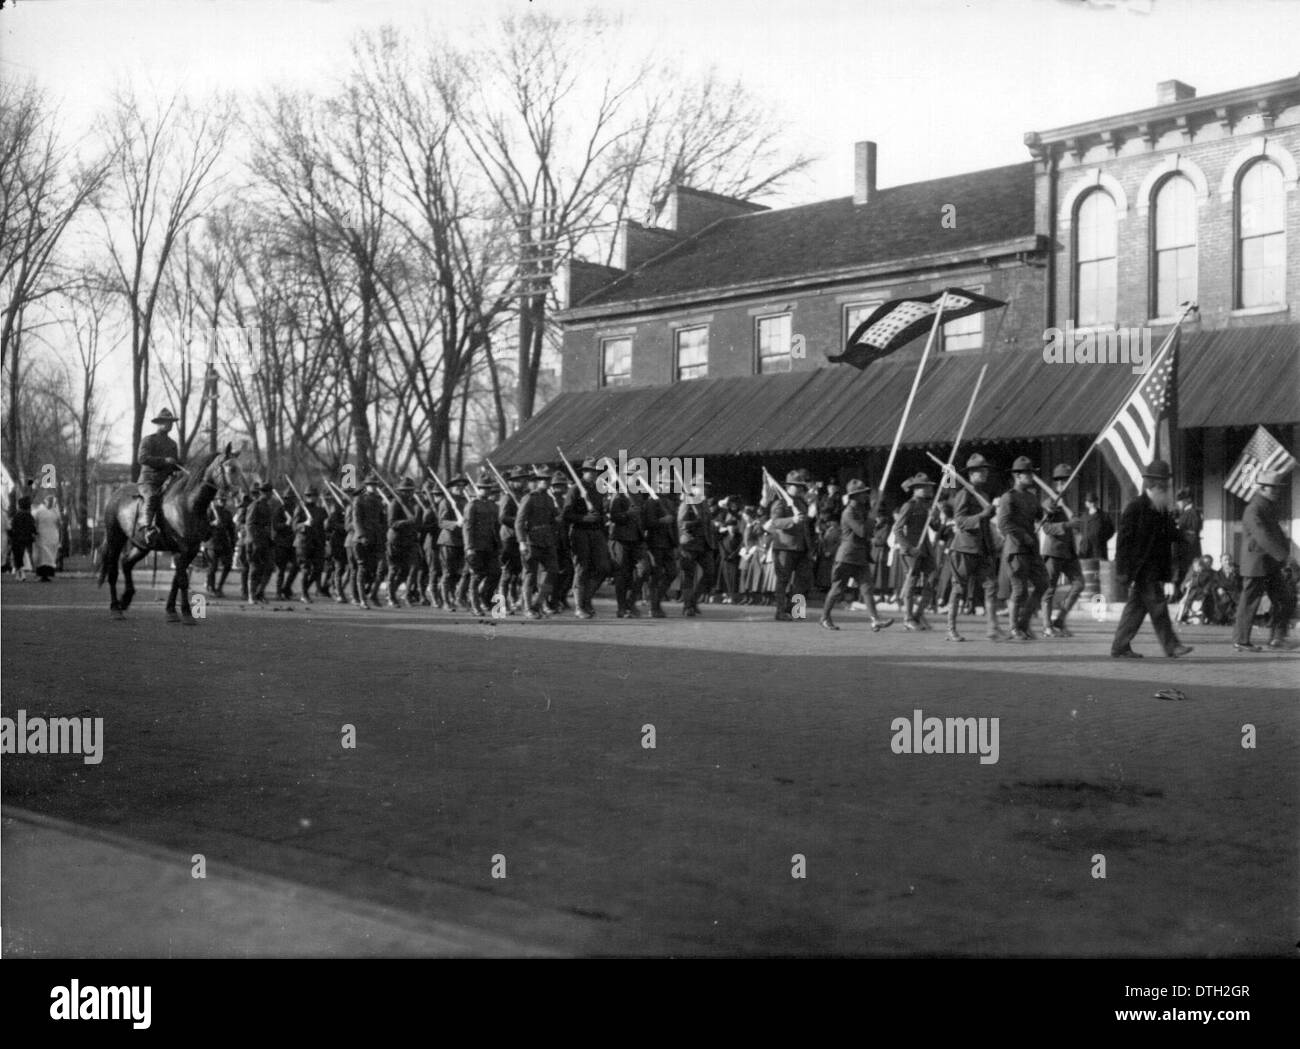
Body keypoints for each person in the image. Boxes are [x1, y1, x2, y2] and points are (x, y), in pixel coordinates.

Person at [1110, 460, 1193, 659]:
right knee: (1158, 607)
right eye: (1163, 484)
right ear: (1152, 485)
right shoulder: (1135, 507)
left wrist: (1184, 536)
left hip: (1155, 567)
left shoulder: (1161, 507)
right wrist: (1122, 571)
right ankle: (1171, 646)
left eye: (1166, 483)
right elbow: (1123, 542)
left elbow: (1169, 533)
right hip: (1141, 568)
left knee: (1136, 609)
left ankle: (1119, 646)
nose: (1166, 488)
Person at [1232, 468, 1298, 652]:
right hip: (1256, 564)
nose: (1276, 491)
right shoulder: (1254, 509)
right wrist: (1285, 557)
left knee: (1285, 599)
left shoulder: (1267, 507)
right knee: (1249, 603)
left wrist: (1285, 554)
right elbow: (1263, 536)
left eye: (1277, 488)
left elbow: (1276, 534)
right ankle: (1241, 641)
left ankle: (1277, 639)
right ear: (1262, 488)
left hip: (1270, 564)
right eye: (1272, 488)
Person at [944, 454, 1005, 642]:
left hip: (982, 549)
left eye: (985, 470)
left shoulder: (984, 495)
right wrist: (982, 515)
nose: (985, 473)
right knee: (959, 589)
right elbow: (960, 521)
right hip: (964, 548)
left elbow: (986, 525)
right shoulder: (963, 494)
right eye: (981, 471)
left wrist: (991, 545)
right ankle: (951, 629)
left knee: (991, 586)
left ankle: (992, 627)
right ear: (971, 473)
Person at [820, 479, 893, 632]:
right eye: (861, 494)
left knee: (867, 588)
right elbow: (862, 531)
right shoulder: (849, 512)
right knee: (838, 589)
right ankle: (825, 617)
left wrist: (873, 516)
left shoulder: (861, 510)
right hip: (847, 556)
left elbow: (868, 530)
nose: (865, 496)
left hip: (860, 556)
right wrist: (872, 518)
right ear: (854, 496)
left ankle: (875, 619)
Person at [996, 456, 1049, 641]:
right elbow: (1003, 524)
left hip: (1032, 549)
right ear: (1017, 476)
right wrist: (1023, 535)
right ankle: (1013, 628)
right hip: (1016, 549)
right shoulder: (1008, 497)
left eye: (1031, 473)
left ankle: (1023, 623)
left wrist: (1050, 511)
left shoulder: (1032, 497)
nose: (1031, 476)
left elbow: (1040, 516)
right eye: (1028, 473)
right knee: (1019, 590)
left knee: (1043, 583)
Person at [1040, 463, 1084, 637]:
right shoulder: (1049, 502)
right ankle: (1047, 626)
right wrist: (1067, 525)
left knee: (1079, 584)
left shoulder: (1070, 501)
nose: (1070, 485)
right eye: (1067, 481)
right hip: (1054, 550)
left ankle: (1060, 620)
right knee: (1049, 588)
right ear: (1059, 483)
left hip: (1069, 551)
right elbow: (1046, 528)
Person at [562, 458, 608, 619]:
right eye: (590, 471)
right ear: (584, 472)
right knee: (582, 569)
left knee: (603, 567)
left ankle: (586, 599)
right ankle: (580, 606)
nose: (593, 474)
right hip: (580, 532)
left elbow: (601, 513)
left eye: (595, 471)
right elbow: (566, 514)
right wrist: (583, 518)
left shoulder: (597, 490)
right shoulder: (575, 490)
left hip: (596, 533)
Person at [768, 470, 814, 622]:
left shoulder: (801, 503)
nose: (800, 489)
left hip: (801, 548)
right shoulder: (780, 502)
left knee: (802, 581)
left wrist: (809, 547)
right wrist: (792, 520)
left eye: (801, 486)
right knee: (783, 581)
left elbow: (806, 526)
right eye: (796, 486)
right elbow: (775, 522)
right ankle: (780, 611)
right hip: (784, 548)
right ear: (788, 487)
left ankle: (796, 610)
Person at [894, 473, 938, 630]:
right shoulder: (909, 505)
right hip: (912, 549)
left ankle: (918, 614)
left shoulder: (928, 506)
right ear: (915, 489)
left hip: (926, 548)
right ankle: (908, 617)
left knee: (932, 579)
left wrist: (935, 518)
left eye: (928, 487)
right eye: (924, 487)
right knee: (911, 581)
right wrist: (909, 548)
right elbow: (897, 529)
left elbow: (937, 528)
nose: (928, 490)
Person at [516, 470, 559, 618]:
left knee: (552, 571)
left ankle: (538, 604)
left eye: (548, 479)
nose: (545, 482)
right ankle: (528, 608)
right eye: (542, 480)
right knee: (530, 575)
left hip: (547, 541)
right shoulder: (529, 498)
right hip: (532, 540)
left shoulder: (549, 499)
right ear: (537, 481)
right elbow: (519, 522)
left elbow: (553, 520)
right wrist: (522, 542)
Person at [137, 407, 183, 544]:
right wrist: (164, 461)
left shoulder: (172, 444)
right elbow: (142, 458)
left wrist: (180, 466)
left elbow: (174, 465)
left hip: (167, 482)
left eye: (171, 422)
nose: (170, 425)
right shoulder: (148, 440)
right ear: (159, 423)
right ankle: (148, 529)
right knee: (152, 497)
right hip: (149, 481)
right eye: (167, 422)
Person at [463, 474, 503, 616]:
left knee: (496, 573)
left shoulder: (493, 506)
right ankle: (475, 606)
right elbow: (467, 527)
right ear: (478, 489)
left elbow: (497, 527)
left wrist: (499, 545)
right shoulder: (472, 505)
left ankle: (484, 597)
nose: (486, 491)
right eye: (483, 488)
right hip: (476, 546)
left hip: (491, 546)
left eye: (488, 488)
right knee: (476, 576)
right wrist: (469, 548)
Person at [678, 480, 717, 617]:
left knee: (710, 573)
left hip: (705, 544)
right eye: (702, 487)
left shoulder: (703, 503)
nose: (705, 489)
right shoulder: (687, 502)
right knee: (689, 575)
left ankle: (693, 600)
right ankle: (688, 606)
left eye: (706, 487)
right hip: (690, 544)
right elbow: (681, 523)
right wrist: (695, 522)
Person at [348, 473, 386, 610]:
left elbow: (382, 520)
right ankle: (362, 600)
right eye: (371, 485)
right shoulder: (359, 500)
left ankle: (368, 595)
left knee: (374, 569)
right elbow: (356, 520)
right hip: (361, 540)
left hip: (375, 539)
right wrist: (362, 536)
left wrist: (382, 535)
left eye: (375, 485)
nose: (374, 487)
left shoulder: (378, 500)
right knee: (362, 568)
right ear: (366, 486)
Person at [240, 482, 276, 604]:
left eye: (270, 492)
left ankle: (259, 593)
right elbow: (249, 525)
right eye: (268, 492)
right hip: (255, 542)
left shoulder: (267, 506)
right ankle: (251, 596)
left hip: (265, 541)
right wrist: (254, 541)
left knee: (269, 567)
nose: (270, 494)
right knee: (254, 568)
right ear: (263, 493)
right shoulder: (255, 505)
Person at [294, 487, 329, 603]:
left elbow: (324, 528)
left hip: (317, 543)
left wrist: (326, 542)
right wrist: (305, 523)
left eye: (313, 495)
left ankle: (305, 588)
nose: (311, 498)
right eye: (309, 496)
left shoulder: (321, 510)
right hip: (303, 543)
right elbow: (294, 526)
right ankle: (304, 594)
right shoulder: (300, 509)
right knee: (305, 569)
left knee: (318, 569)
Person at [1173, 488, 1203, 600]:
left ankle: (1186, 599)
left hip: (1188, 551)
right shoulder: (1185, 513)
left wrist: (1177, 532)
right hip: (1184, 550)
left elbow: (1192, 534)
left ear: (1188, 500)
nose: (1178, 503)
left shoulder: (1192, 513)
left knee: (1188, 574)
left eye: (1180, 501)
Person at [205, 494, 236, 597]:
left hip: (224, 543)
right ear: (216, 500)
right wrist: (212, 523)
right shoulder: (210, 511)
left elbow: (231, 529)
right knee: (212, 567)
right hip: (212, 542)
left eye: (224, 499)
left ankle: (219, 587)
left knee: (228, 565)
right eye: (220, 499)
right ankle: (211, 588)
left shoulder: (227, 513)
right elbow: (203, 525)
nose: (222, 501)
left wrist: (232, 543)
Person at [1075, 492, 1115, 560]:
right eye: (1090, 502)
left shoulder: (1104, 516)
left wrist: (1101, 539)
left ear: (1097, 502)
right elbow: (1081, 529)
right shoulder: (1083, 517)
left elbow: (1111, 530)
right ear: (1086, 503)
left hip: (1098, 549)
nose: (1092, 504)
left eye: (1094, 501)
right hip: (1085, 549)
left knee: (1099, 568)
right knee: (1085, 569)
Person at [7, 496, 36, 580]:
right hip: (26, 539)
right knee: (22, 555)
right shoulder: (29, 516)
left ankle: (21, 572)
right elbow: (32, 527)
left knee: (18, 556)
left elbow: (12, 527)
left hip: (16, 538)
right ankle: (19, 573)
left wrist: (10, 536)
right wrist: (34, 534)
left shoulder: (16, 516)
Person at [32, 495, 60, 580]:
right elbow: (59, 523)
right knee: (47, 555)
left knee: (43, 555)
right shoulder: (54, 512)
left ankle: (43, 574)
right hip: (49, 535)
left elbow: (34, 522)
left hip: (44, 535)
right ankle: (46, 574)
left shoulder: (39, 511)